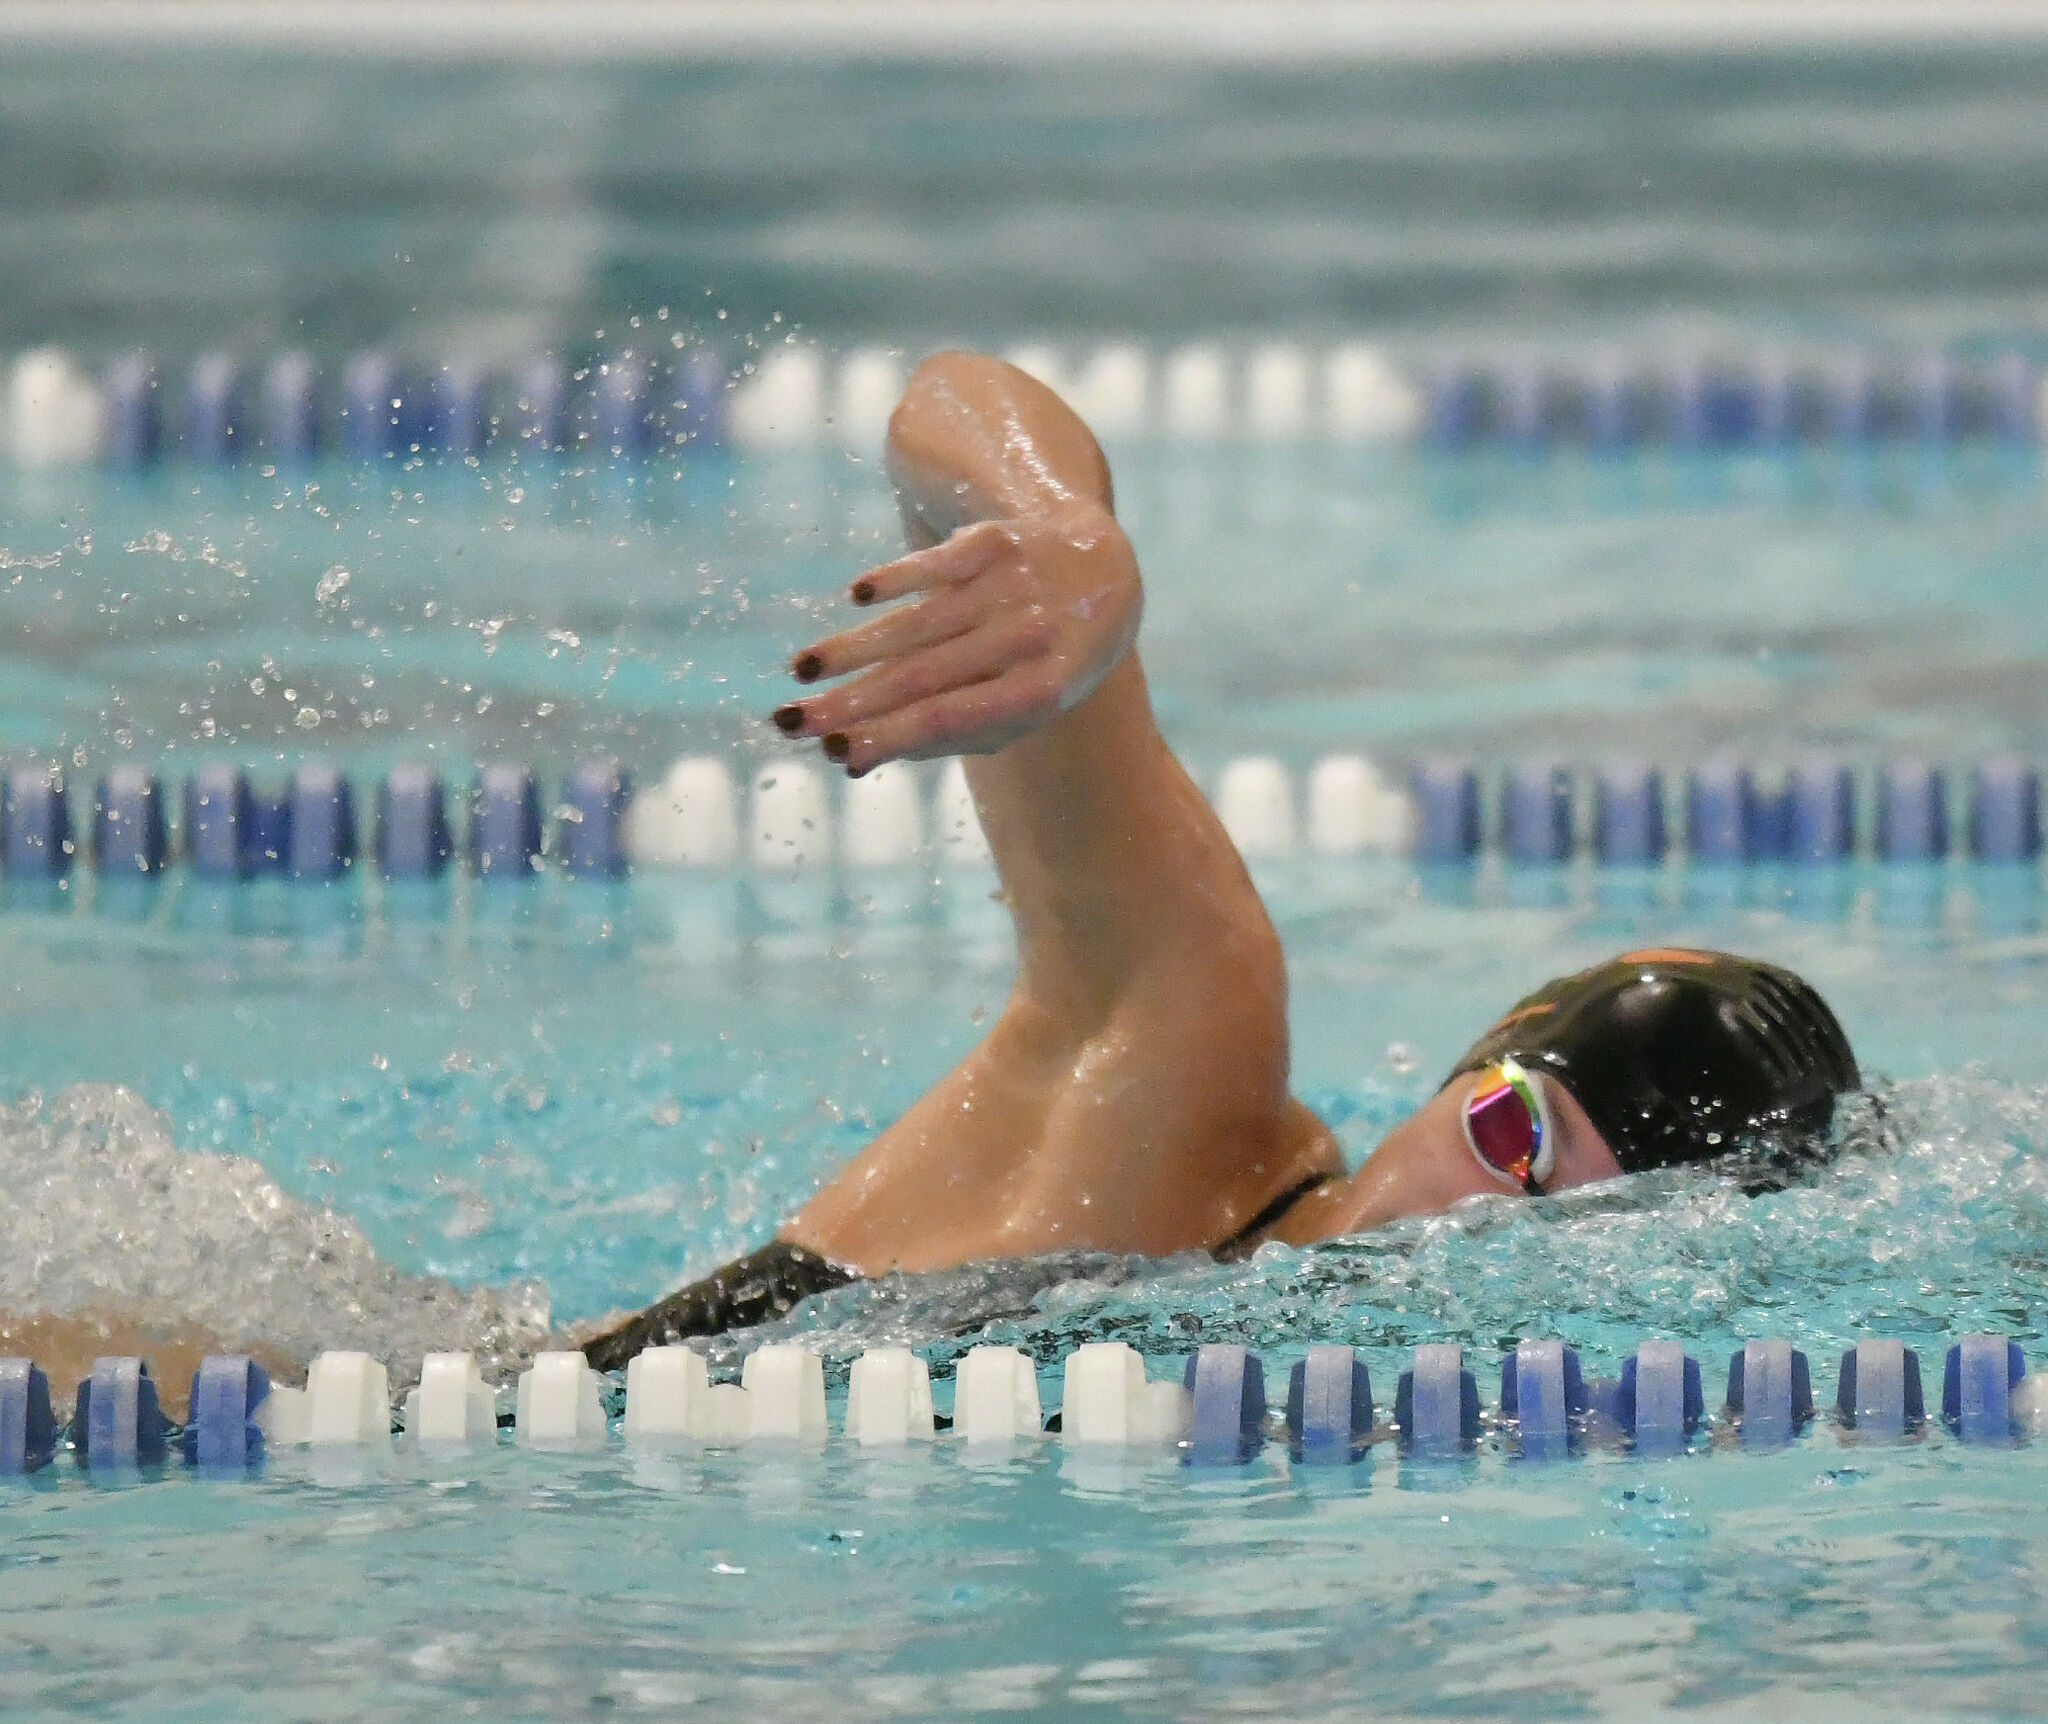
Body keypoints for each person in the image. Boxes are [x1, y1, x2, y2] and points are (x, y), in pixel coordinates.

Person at [579, 353, 1859, 1370]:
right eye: (1507, 1130)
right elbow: (952, 396)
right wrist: (1060, 526)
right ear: (1469, 1063)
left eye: (1571, 1231)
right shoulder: (1182, 1067)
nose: (1473, 1223)